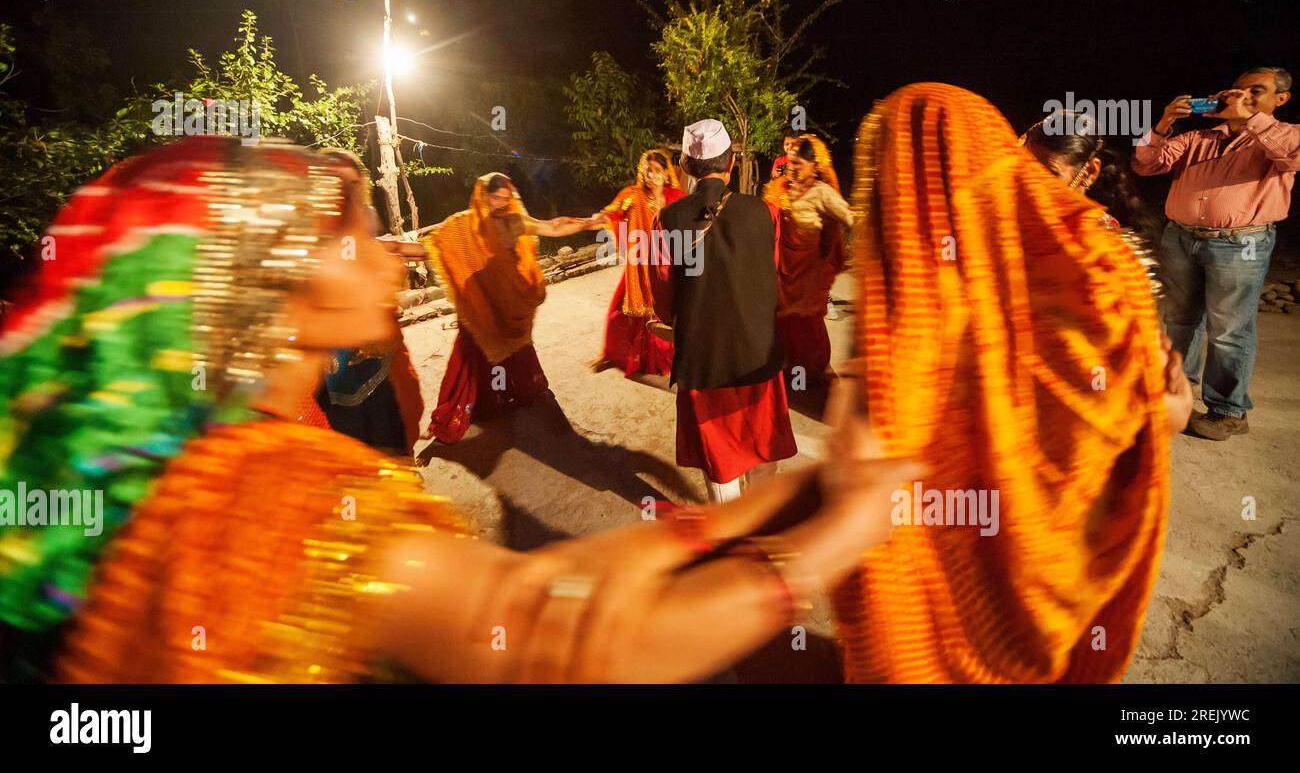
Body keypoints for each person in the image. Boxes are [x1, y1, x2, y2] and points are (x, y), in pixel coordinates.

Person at [0, 134, 921, 683]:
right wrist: (827, 544)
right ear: (260, 290)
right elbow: (545, 638)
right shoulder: (257, 495)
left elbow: (546, 590)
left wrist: (785, 503)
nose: (390, 258)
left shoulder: (258, 449)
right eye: (352, 237)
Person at [832, 84, 1173, 683]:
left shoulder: (1094, 260)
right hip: (1028, 558)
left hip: (963, 557)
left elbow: (1153, 409)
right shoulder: (948, 260)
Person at [1132, 67, 1297, 440]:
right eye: (1237, 90)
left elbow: (1292, 157)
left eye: (1257, 91)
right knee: (1179, 319)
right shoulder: (1199, 137)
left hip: (1241, 244)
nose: (1241, 97)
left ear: (1281, 98)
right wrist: (1161, 125)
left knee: (1229, 328)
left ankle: (1227, 410)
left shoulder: (1286, 136)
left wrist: (1250, 120)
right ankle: (1176, 394)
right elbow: (1144, 163)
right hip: (1181, 237)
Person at [651, 119, 798, 503]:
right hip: (758, 353)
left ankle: (732, 540)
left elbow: (663, 300)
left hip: (704, 362)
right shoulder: (766, 213)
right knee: (763, 448)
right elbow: (777, 279)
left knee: (720, 460)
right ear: (731, 162)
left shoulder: (666, 221)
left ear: (684, 166)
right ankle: (763, 527)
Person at [1020, 110, 1194, 435]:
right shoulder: (1006, 231)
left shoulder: (1112, 252)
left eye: (1047, 173)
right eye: (1020, 170)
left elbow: (1138, 371)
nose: (1028, 187)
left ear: (1089, 172)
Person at [419, 173, 595, 446]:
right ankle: (444, 418)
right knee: (466, 358)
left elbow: (553, 228)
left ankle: (518, 391)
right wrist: (391, 248)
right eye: (495, 198)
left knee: (517, 347)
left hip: (509, 300)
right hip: (479, 301)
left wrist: (587, 223)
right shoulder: (465, 224)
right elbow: (436, 241)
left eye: (505, 198)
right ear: (482, 196)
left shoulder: (514, 221)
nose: (500, 204)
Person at [313, 148, 425, 456]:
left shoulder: (361, 216)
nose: (340, 190)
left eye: (349, 184)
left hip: (376, 354)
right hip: (329, 358)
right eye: (332, 181)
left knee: (391, 424)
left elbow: (371, 252)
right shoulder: (304, 227)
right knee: (345, 441)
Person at [764, 136, 854, 386]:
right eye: (790, 163)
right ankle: (787, 373)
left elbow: (850, 218)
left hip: (807, 276)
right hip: (781, 273)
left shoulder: (822, 193)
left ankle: (812, 376)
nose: (792, 168)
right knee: (780, 324)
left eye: (799, 164)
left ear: (815, 166)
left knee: (807, 328)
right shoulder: (779, 189)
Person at [590, 150, 685, 378]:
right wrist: (593, 220)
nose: (652, 176)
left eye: (657, 171)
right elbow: (609, 214)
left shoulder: (677, 197)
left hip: (667, 263)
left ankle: (666, 357)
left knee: (666, 311)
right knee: (618, 312)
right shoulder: (632, 194)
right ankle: (613, 354)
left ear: (666, 173)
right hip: (639, 263)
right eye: (648, 171)